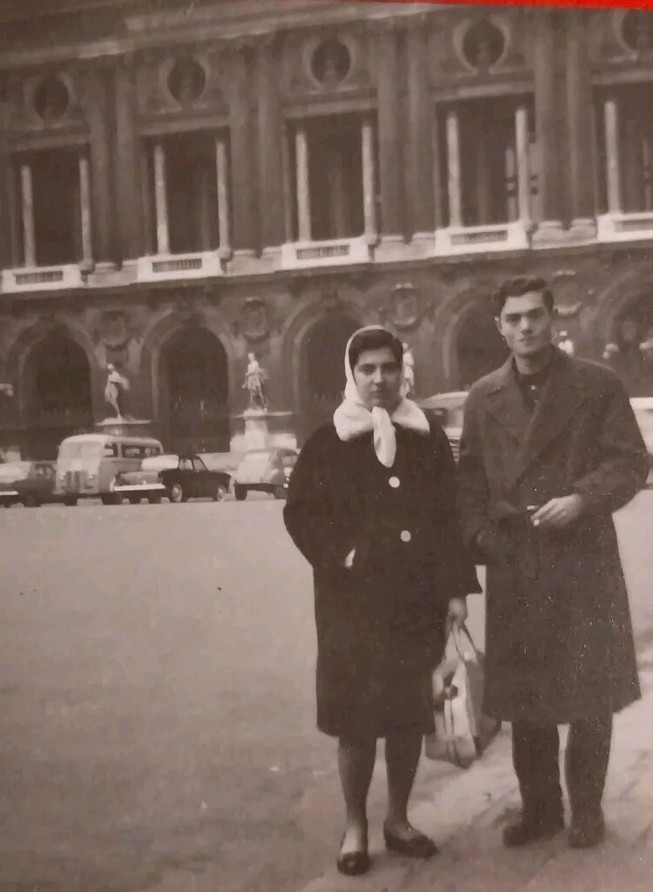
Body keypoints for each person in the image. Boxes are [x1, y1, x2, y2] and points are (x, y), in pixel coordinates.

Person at [456, 276, 647, 851]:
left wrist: (583, 498)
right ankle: (541, 808)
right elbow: (468, 477)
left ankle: (585, 809)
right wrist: (482, 537)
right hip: (517, 558)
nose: (525, 327)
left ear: (552, 317)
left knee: (590, 694)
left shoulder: (596, 383)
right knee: (526, 699)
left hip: (582, 555)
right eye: (513, 319)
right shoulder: (482, 395)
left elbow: (631, 461)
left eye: (534, 315)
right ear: (500, 328)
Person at [283, 326, 477, 876]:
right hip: (352, 605)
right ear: (351, 373)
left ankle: (397, 818)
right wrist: (340, 554)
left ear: (402, 371)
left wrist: (457, 590)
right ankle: (355, 826)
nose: (378, 378)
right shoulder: (329, 439)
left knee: (407, 717)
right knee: (355, 721)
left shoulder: (426, 436)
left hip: (416, 600)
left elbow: (448, 518)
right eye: (366, 368)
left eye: (387, 368)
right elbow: (300, 512)